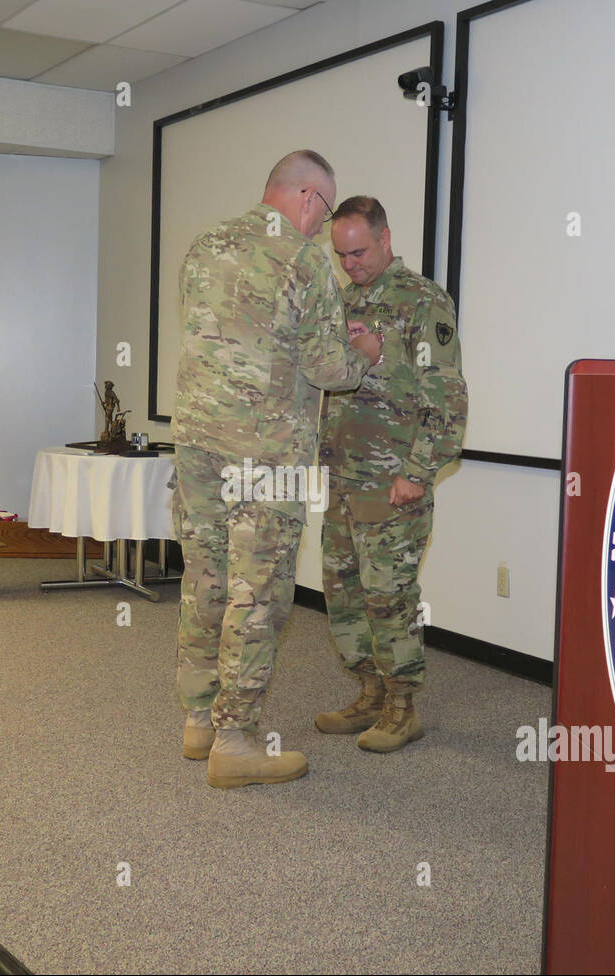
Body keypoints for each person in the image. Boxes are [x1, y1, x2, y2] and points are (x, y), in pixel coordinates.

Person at [173, 150, 383, 788]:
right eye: (321, 215)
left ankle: (198, 719)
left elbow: (237, 336)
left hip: (197, 444)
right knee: (257, 592)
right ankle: (236, 741)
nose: (320, 230)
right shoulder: (304, 259)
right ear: (309, 199)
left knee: (205, 575)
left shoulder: (204, 245)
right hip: (266, 457)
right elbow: (328, 371)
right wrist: (364, 351)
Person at [315, 196, 468, 752]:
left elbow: (446, 397)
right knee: (344, 591)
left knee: (390, 594)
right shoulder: (343, 302)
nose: (350, 264)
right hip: (342, 479)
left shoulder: (421, 301)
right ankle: (369, 693)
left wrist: (419, 472)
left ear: (384, 239)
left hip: (392, 482)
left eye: (358, 252)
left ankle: (403, 708)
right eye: (341, 255)